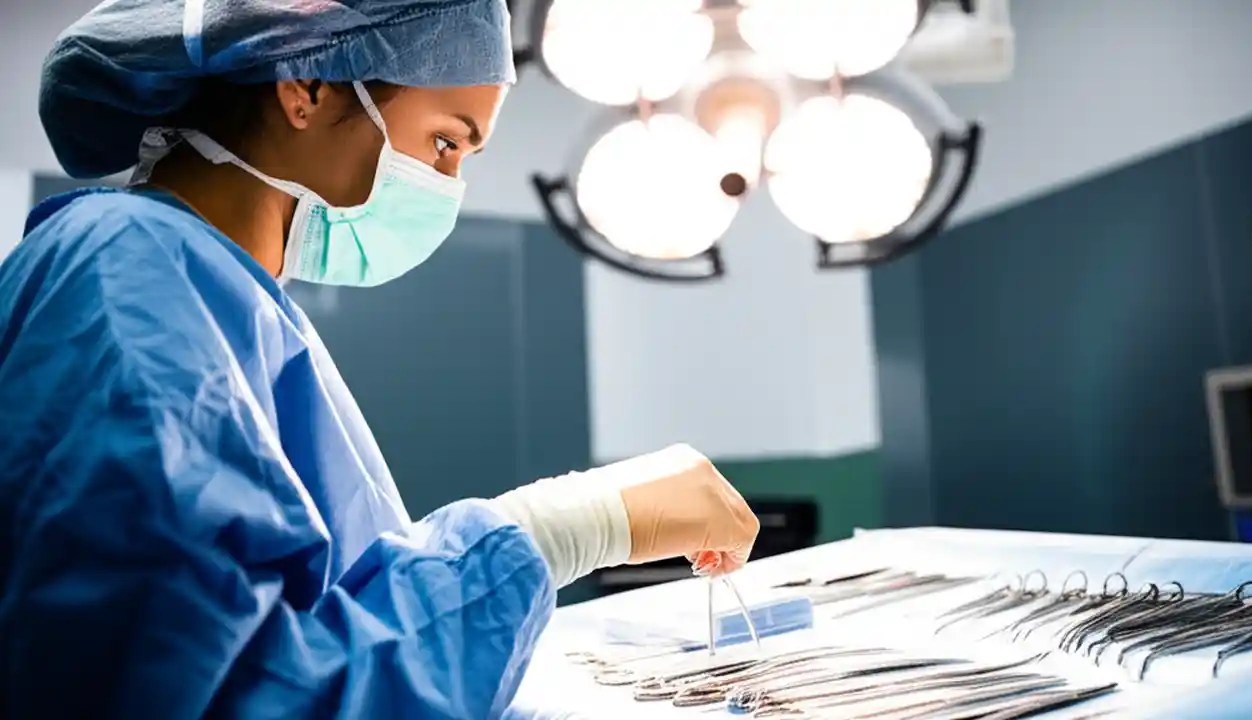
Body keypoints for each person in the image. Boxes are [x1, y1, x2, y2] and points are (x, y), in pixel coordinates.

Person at [0, 1, 760, 718]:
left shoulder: (236, 305)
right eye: (444, 142)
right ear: (309, 87)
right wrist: (561, 528)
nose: (447, 185)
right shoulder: (124, 269)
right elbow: (213, 692)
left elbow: (343, 647)